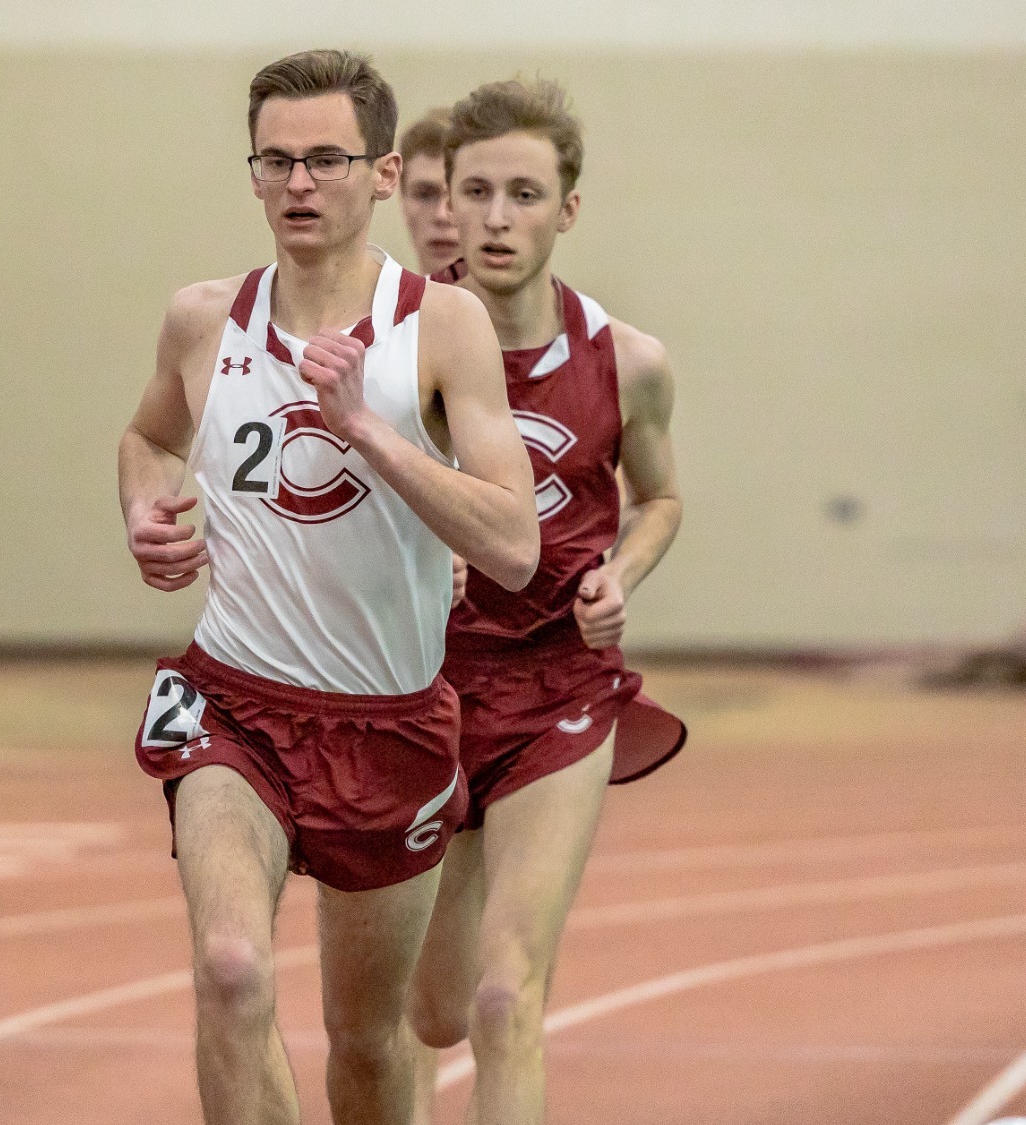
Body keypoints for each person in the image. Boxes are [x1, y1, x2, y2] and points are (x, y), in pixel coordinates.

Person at [116, 49, 540, 1125]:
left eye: (325, 161)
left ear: (385, 175)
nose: (298, 184)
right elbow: (148, 437)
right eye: (275, 161)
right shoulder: (202, 318)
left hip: (387, 723)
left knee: (365, 1041)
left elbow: (513, 546)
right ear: (251, 173)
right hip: (235, 704)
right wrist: (146, 511)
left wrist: (369, 431)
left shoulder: (439, 327)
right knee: (229, 970)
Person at [402, 79, 688, 1125]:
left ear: (566, 207)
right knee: (429, 1009)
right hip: (419, 690)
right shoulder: (401, 353)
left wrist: (621, 570)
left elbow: (658, 497)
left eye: (523, 192)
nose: (492, 216)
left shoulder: (629, 362)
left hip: (557, 690)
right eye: (472, 191)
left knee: (500, 994)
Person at [398, 108, 461, 276]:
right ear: (402, 199)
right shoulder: (380, 301)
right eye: (425, 195)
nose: (442, 215)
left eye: (458, 195)